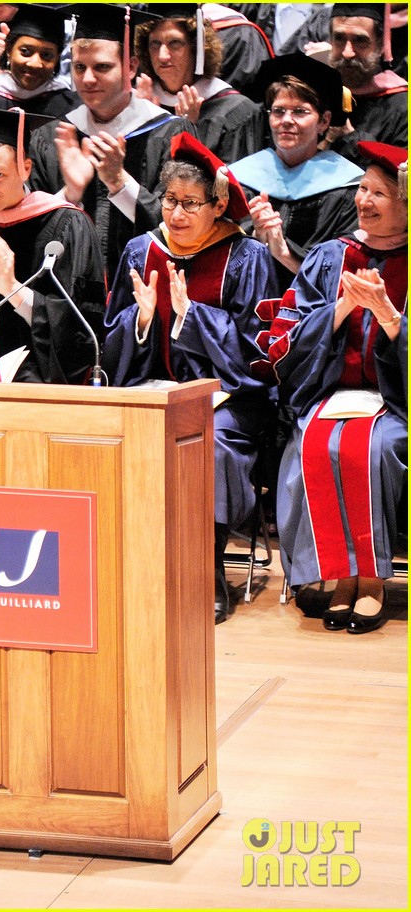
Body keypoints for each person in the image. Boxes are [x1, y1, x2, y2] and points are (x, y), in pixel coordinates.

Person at [102, 132, 279, 624]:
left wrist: (190, 317)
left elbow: (256, 352)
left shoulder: (245, 257)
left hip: (228, 400)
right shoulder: (140, 251)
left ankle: (206, 569)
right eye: (170, 201)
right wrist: (140, 320)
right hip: (151, 388)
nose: (176, 214)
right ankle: (130, 568)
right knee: (113, 430)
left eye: (190, 204)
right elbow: (112, 343)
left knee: (210, 443)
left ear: (217, 206)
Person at [269, 141, 406, 636]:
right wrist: (342, 308)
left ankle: (371, 580)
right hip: (329, 395)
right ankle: (340, 574)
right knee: (314, 441)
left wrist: (390, 318)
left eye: (379, 193)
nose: (363, 201)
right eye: (362, 189)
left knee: (374, 448)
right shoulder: (332, 256)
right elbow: (287, 334)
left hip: (396, 405)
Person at [26, 6, 190, 280]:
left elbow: (184, 224)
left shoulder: (170, 133)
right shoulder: (54, 136)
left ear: (131, 67)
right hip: (69, 292)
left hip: (146, 286)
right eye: (79, 67)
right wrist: (70, 195)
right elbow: (31, 236)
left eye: (102, 67)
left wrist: (119, 183)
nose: (88, 79)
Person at [0, 100, 106, 383]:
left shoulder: (66, 225)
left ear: (25, 168)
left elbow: (81, 329)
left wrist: (14, 291)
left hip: (36, 384)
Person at [233, 54, 364, 288]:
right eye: (278, 111)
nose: (286, 120)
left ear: (324, 121)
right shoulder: (241, 179)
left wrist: (284, 253)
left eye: (300, 112)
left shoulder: (348, 189)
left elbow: (342, 273)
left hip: (314, 307)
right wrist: (254, 238)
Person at [133, 5, 264, 164]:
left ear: (197, 48)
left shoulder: (236, 112)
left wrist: (187, 133)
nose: (162, 56)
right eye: (155, 44)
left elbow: (230, 180)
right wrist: (141, 123)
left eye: (175, 43)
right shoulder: (138, 103)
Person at [326, 3, 408, 158]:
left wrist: (350, 138)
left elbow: (400, 169)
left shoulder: (403, 108)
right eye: (339, 38)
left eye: (360, 40)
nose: (347, 53)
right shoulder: (315, 95)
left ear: (380, 45)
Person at [0, 5, 78, 120]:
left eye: (47, 55)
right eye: (25, 52)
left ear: (58, 58)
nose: (34, 64)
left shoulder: (71, 106)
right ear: (8, 50)